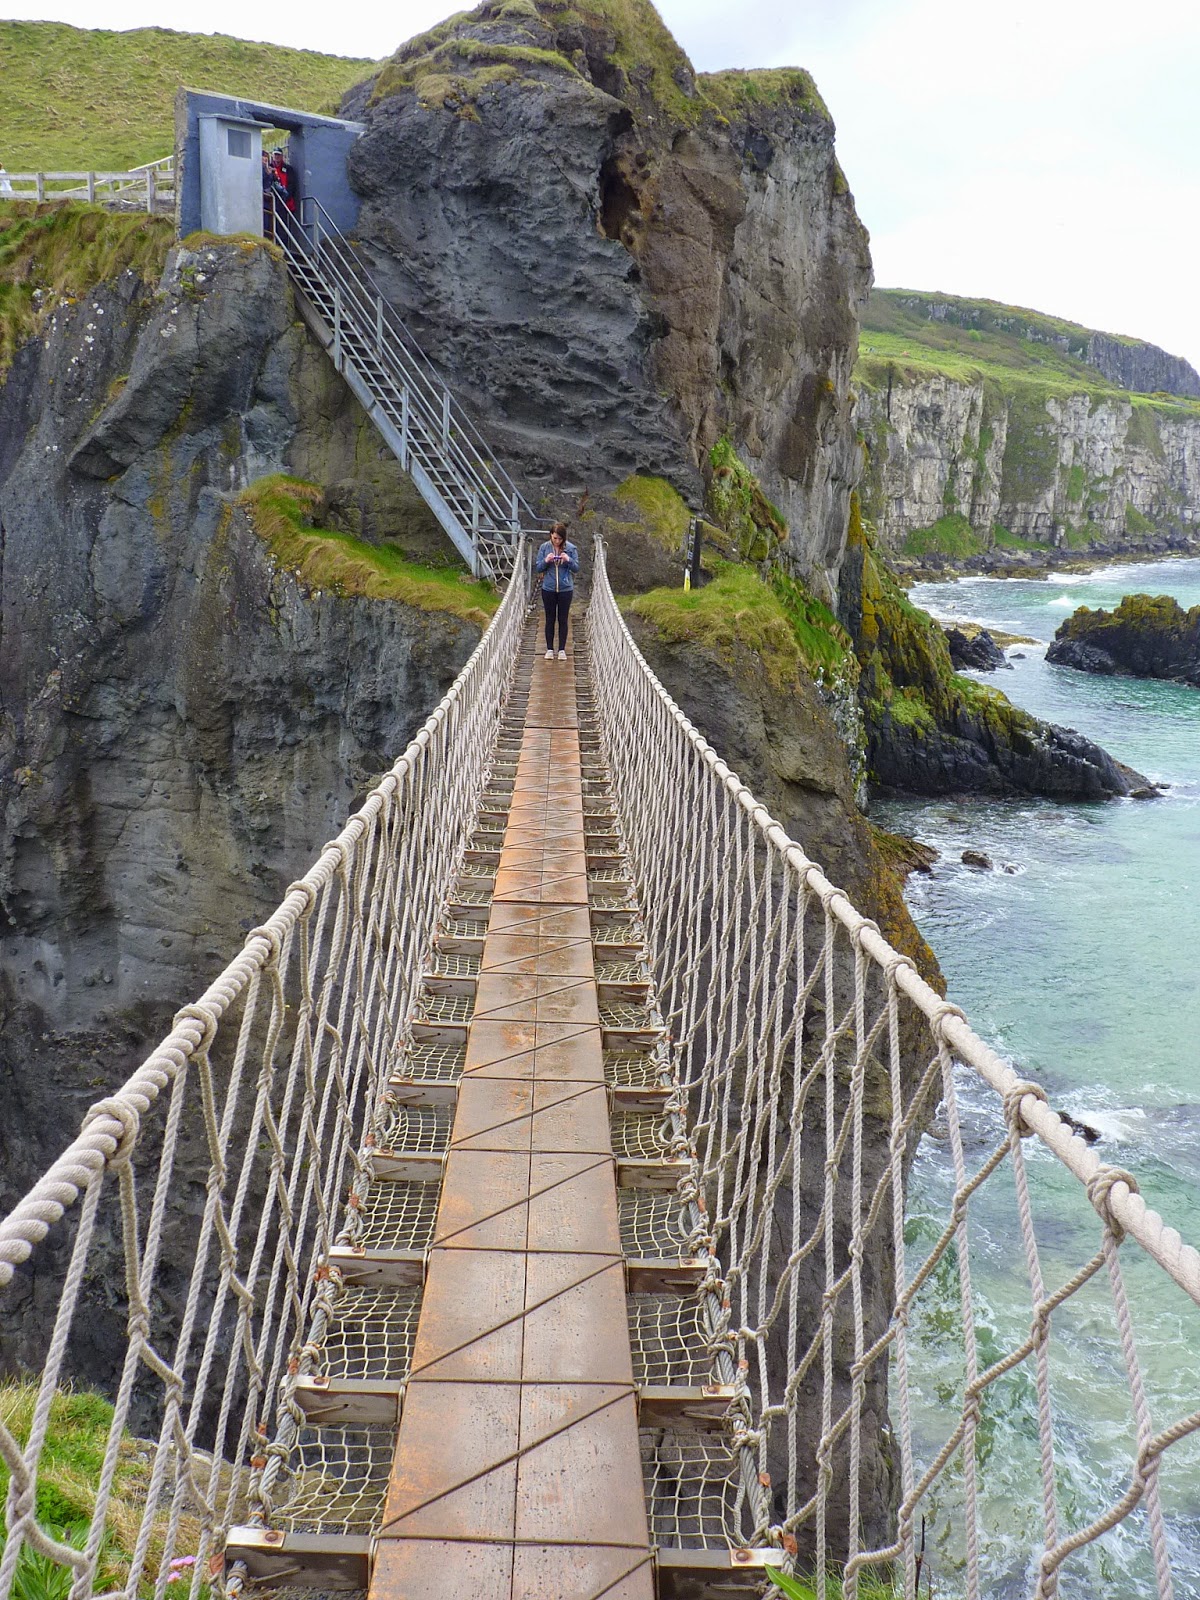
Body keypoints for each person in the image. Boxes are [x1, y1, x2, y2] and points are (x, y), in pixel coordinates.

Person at [535, 522, 578, 660]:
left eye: (560, 539)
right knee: (550, 618)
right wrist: (546, 560)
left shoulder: (571, 548)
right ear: (550, 536)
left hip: (565, 589)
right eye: (554, 538)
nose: (557, 541)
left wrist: (568, 559)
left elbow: (576, 568)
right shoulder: (544, 547)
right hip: (549, 588)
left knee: (563, 619)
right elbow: (538, 567)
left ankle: (561, 650)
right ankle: (549, 649)